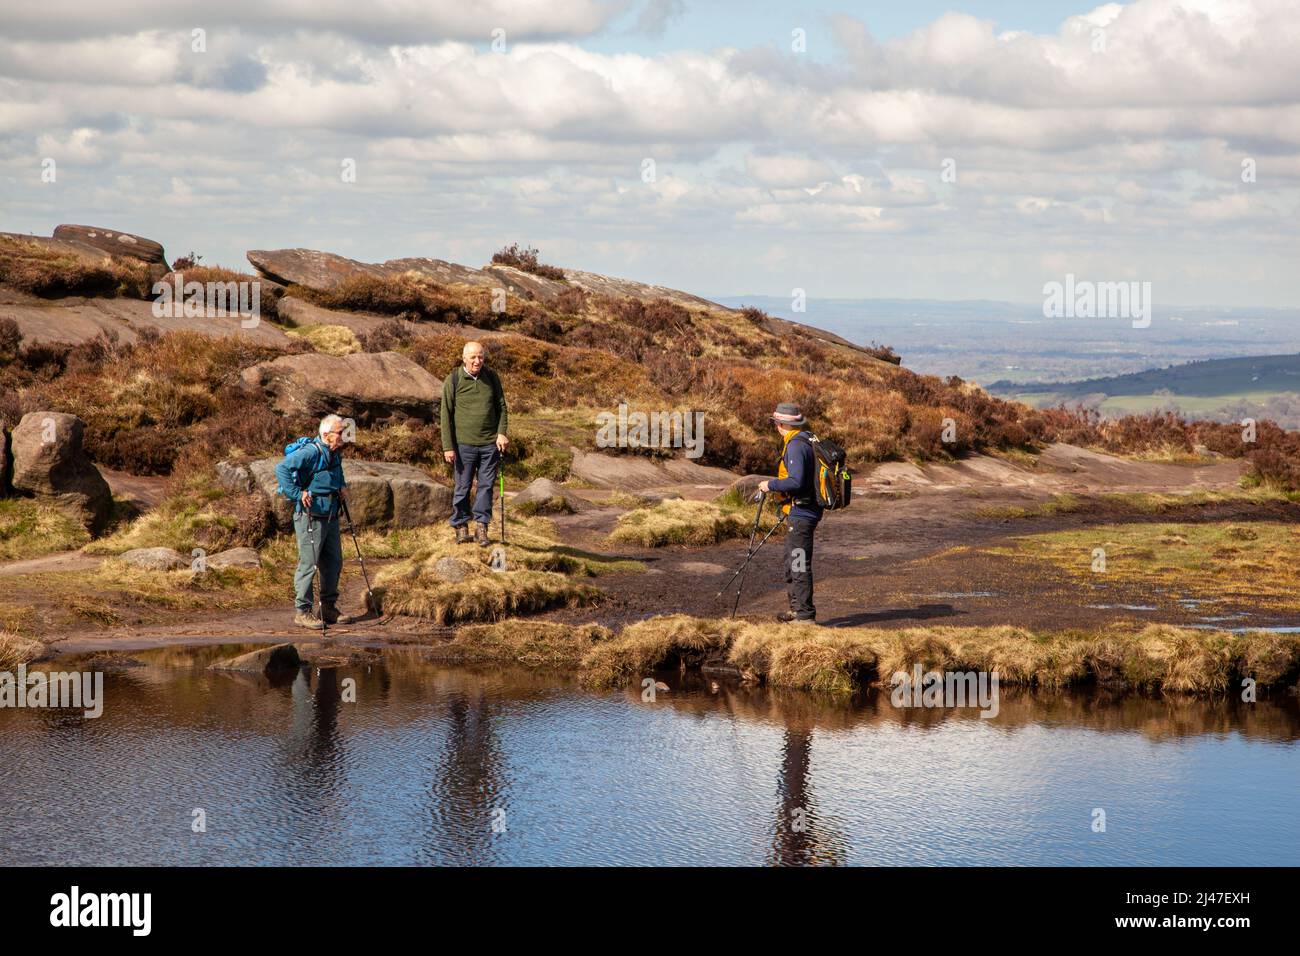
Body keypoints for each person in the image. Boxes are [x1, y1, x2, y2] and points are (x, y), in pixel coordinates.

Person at [276, 414, 356, 629]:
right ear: (326, 435)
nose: (344, 436)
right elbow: (281, 468)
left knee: (334, 562)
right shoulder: (311, 452)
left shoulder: (335, 452)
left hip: (330, 515)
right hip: (310, 516)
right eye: (340, 433)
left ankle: (327, 608)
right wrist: (296, 493)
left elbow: (335, 474)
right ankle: (303, 612)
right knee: (309, 564)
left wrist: (341, 486)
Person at [758, 402, 823, 623]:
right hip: (806, 511)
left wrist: (770, 484)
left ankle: (804, 616)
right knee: (792, 561)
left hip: (802, 513)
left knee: (798, 563)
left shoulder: (795, 445)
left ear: (779, 424)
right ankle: (797, 611)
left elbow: (796, 481)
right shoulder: (807, 438)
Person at [441, 341, 509, 546]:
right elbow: (446, 415)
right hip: (463, 445)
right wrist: (448, 446)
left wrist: (501, 433)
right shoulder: (453, 380)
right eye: (473, 357)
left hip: (490, 445)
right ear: (464, 358)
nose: (477, 361)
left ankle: (481, 527)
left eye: (480, 357)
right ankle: (461, 526)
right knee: (462, 487)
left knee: (486, 487)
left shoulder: (492, 377)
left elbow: (502, 407)